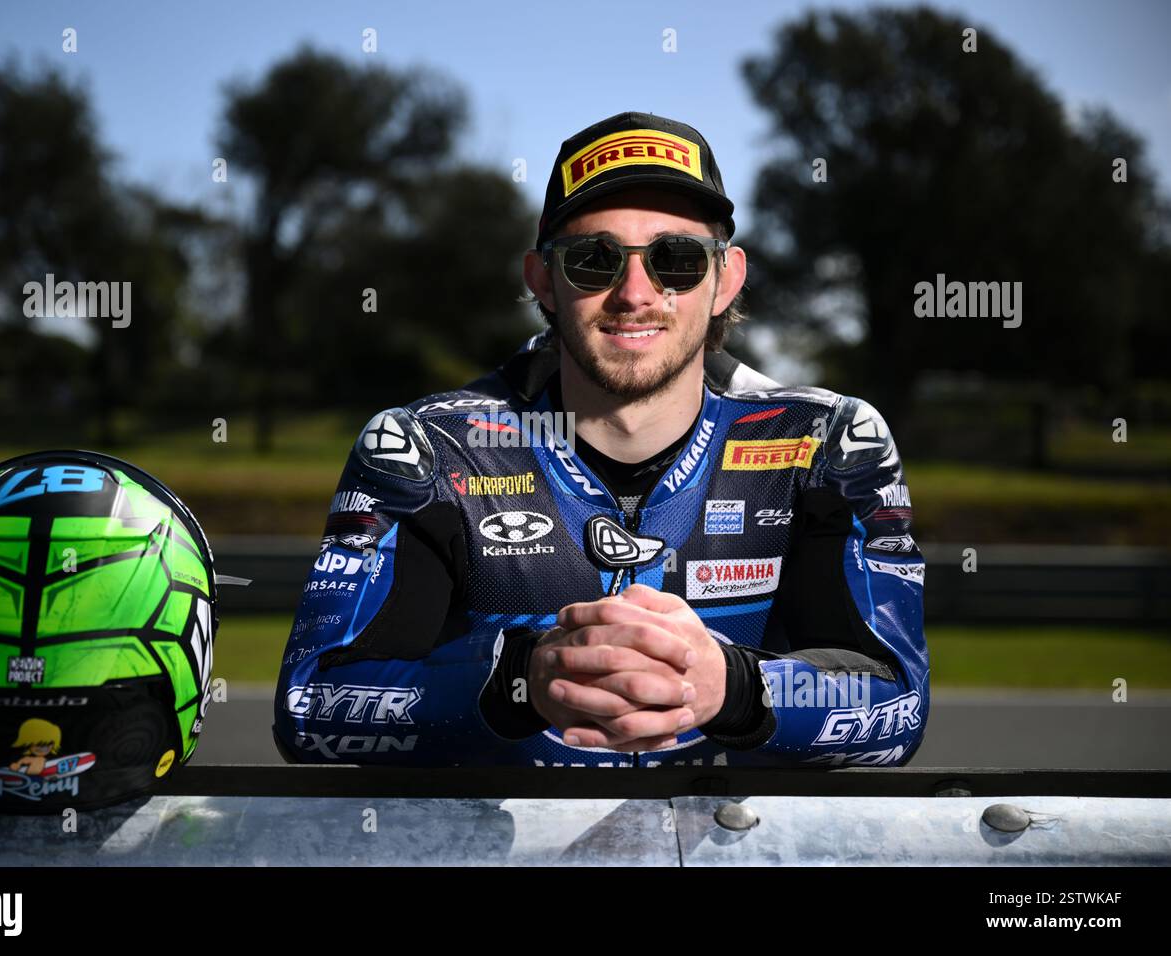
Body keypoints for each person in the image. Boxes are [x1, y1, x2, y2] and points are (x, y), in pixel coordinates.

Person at [273, 111, 929, 767]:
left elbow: (899, 706)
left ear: (726, 278)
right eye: (594, 260)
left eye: (678, 258)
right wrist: (519, 677)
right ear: (542, 282)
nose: (635, 293)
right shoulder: (428, 449)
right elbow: (310, 712)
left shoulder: (825, 443)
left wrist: (734, 687)